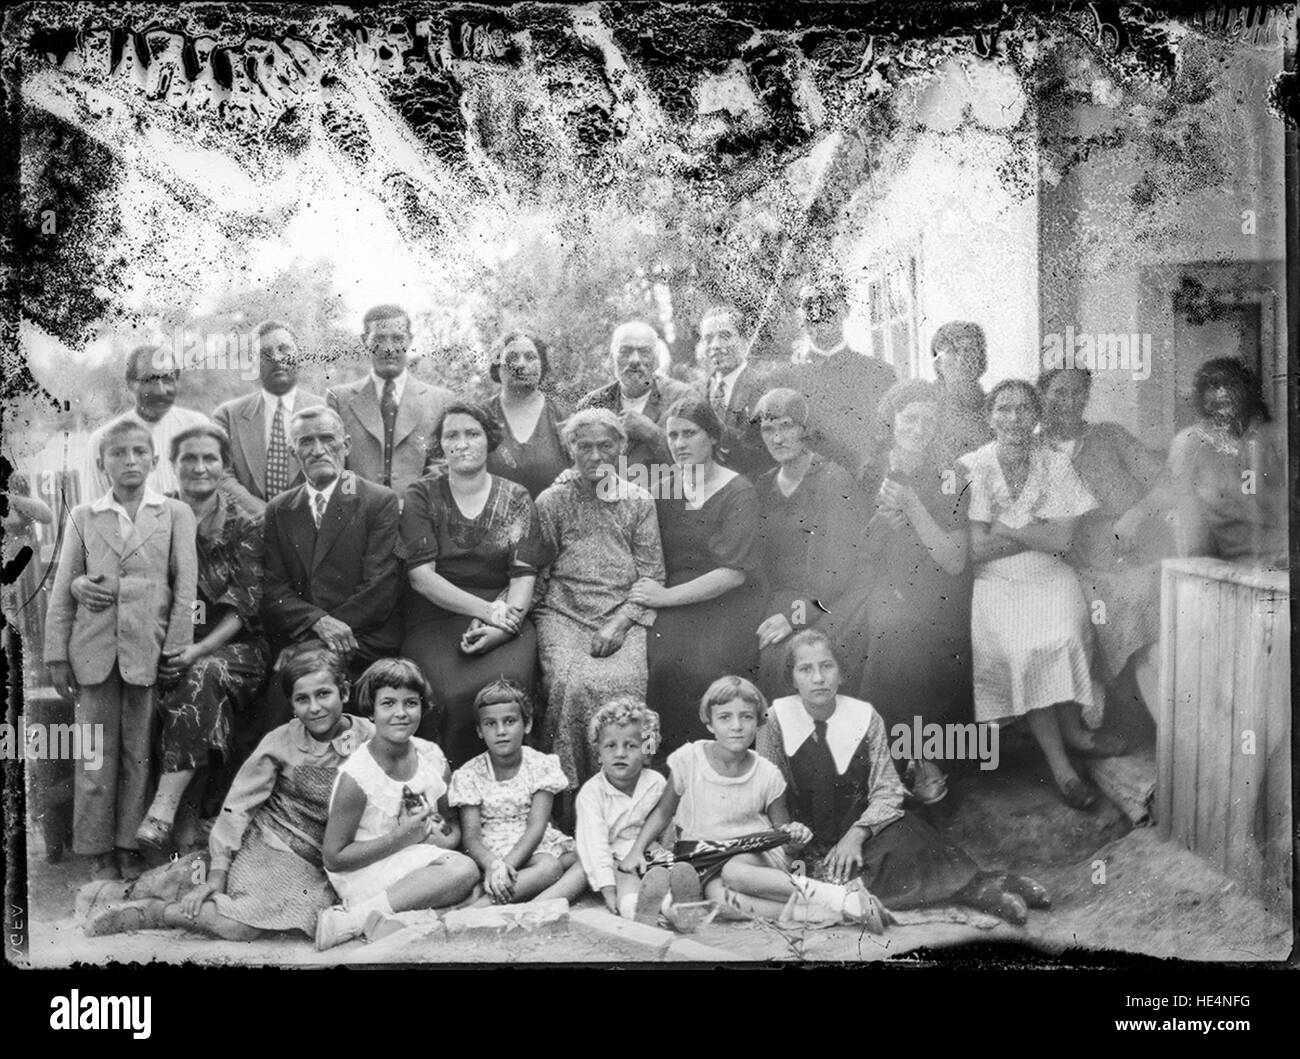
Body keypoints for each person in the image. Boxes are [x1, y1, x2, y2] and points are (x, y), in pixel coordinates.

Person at [82, 647, 375, 940]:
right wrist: (219, 869)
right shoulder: (282, 741)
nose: (314, 708)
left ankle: (138, 897)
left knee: (303, 915)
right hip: (271, 847)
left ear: (345, 692)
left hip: (324, 864)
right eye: (302, 699)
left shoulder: (371, 738)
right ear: (293, 705)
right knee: (238, 924)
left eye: (324, 694)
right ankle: (150, 912)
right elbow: (238, 805)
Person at [757, 630, 1048, 923]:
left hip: (862, 828)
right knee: (846, 878)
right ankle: (982, 889)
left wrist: (856, 835)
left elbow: (887, 791)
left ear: (842, 673)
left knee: (909, 839)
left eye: (827, 666)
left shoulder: (865, 717)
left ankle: (986, 884)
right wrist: (789, 840)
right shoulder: (774, 721)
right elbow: (771, 793)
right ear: (791, 679)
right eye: (805, 669)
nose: (818, 678)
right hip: (808, 841)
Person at [43, 417, 198, 881]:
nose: (130, 461)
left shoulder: (173, 514)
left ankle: (129, 845)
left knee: (138, 754)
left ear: (153, 460)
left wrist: (176, 647)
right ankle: (95, 851)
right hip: (91, 653)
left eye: (139, 452)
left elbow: (184, 587)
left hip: (147, 655)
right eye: (118, 453)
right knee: (94, 755)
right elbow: (61, 588)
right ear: (102, 462)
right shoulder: (84, 517)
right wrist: (56, 655)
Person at [102, 425, 268, 851]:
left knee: (201, 676)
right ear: (172, 467)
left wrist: (195, 649)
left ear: (224, 465)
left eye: (209, 458)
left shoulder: (245, 525)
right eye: (188, 459)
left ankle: (164, 811)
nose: (199, 467)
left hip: (231, 646)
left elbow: (241, 607)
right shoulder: (155, 515)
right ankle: (143, 831)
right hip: (163, 641)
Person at [621, 675, 881, 926]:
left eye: (746, 717)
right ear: (709, 723)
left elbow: (782, 834)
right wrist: (635, 851)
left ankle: (838, 898)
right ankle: (817, 913)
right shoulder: (688, 760)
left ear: (757, 723)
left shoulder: (767, 773)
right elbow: (663, 813)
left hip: (755, 854)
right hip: (707, 856)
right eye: (725, 717)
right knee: (717, 897)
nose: (736, 726)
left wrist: (794, 836)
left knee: (735, 872)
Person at [962, 380, 1113, 811]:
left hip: (1050, 573)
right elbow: (977, 549)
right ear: (989, 416)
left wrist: (1007, 528)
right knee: (1026, 650)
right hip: (997, 581)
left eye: (1023, 410)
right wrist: (1036, 533)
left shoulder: (1055, 463)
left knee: (1064, 634)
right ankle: (1062, 767)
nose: (1013, 419)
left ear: (1036, 417)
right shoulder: (973, 466)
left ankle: (1077, 732)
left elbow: (1063, 540)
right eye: (1004, 410)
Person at [398, 401, 544, 765]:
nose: (462, 443)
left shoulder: (516, 497)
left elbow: (524, 575)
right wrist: (486, 612)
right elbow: (421, 579)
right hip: (436, 614)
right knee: (441, 693)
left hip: (508, 613)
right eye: (452, 435)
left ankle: (509, 791)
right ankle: (446, 796)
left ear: (489, 440)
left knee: (506, 685)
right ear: (440, 445)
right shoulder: (422, 495)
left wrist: (505, 628)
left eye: (472, 434)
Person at [533, 408, 666, 785]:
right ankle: (567, 799)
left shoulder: (639, 500)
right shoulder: (552, 501)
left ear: (622, 447)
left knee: (624, 683)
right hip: (562, 614)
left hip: (623, 613)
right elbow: (538, 575)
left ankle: (628, 794)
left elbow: (652, 574)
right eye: (584, 446)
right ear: (570, 448)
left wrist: (621, 623)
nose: (595, 456)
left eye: (605, 446)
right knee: (567, 683)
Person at [856, 380, 974, 797]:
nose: (919, 427)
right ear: (892, 420)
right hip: (887, 580)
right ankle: (890, 759)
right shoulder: (872, 468)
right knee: (890, 627)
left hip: (940, 588)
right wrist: (878, 525)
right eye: (910, 418)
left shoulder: (951, 475)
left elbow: (954, 560)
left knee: (900, 634)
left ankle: (918, 759)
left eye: (929, 419)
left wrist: (911, 506)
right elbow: (861, 548)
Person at [633, 396, 765, 758]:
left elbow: (733, 574)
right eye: (672, 435)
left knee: (708, 667)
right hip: (676, 598)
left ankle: (723, 765)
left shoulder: (739, 491)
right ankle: (671, 769)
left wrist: (663, 598)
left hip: (727, 602)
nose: (679, 444)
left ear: (712, 437)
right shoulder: (663, 488)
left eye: (689, 434)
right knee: (662, 666)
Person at [317, 658, 481, 949]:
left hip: (414, 857)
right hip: (363, 869)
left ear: (422, 706)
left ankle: (396, 922)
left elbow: (450, 824)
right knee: (463, 873)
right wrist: (401, 838)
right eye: (388, 703)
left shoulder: (431, 756)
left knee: (471, 885)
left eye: (411, 703)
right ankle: (352, 920)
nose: (401, 714)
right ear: (372, 710)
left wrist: (441, 839)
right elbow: (333, 858)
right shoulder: (357, 776)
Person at [260, 407, 403, 731]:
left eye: (327, 439)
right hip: (308, 634)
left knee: (300, 675)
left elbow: (380, 587)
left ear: (347, 444)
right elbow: (274, 588)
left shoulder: (378, 501)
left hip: (365, 635)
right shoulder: (280, 510)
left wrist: (318, 637)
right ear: (293, 452)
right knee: (285, 692)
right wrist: (318, 623)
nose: (318, 449)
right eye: (306, 442)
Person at [1039, 367, 1169, 714]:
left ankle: (1138, 714)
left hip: (1131, 549)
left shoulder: (1109, 436)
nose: (1069, 401)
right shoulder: (1034, 448)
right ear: (1042, 395)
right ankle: (1127, 711)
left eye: (1078, 392)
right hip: (1073, 562)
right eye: (1058, 393)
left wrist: (1136, 515)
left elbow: (1166, 481)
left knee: (1144, 608)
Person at [751, 388, 874, 698]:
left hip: (830, 602)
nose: (777, 439)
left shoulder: (833, 480)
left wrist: (795, 617)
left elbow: (839, 571)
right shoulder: (764, 485)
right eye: (768, 429)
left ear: (806, 430)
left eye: (787, 426)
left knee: (787, 659)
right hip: (781, 598)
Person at [449, 679, 581, 906]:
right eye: (490, 724)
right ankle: (476, 909)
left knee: (587, 858)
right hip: (494, 850)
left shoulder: (540, 765)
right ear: (480, 730)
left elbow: (537, 826)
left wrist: (508, 865)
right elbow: (471, 838)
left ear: (527, 724)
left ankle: (538, 905)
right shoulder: (469, 774)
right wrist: (496, 866)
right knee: (549, 868)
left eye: (509, 721)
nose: (501, 731)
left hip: (533, 842)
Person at [1167, 357, 1286, 567]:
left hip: (1285, 562)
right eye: (1213, 386)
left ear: (1247, 392)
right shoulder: (1191, 444)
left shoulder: (1276, 437)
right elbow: (1192, 530)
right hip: (1228, 568)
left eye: (1230, 384)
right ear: (1202, 398)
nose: (1221, 392)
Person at [326, 304, 455, 497]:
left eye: (398, 338)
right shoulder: (339, 399)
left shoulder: (441, 400)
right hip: (358, 516)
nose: (388, 348)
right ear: (364, 341)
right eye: (379, 338)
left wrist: (414, 505)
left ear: (410, 340)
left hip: (418, 516)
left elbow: (444, 464)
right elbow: (334, 463)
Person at [783, 276, 897, 484]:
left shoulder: (880, 374)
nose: (819, 317)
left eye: (827, 307)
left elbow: (891, 444)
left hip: (864, 491)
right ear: (801, 319)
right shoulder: (786, 380)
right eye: (810, 309)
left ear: (845, 310)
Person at [212, 320, 326, 517]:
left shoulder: (328, 410)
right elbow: (221, 475)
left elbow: (343, 474)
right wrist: (266, 515)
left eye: (284, 349)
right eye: (265, 353)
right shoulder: (228, 416)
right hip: (251, 529)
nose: (276, 358)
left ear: (299, 356)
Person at [572, 697, 671, 919]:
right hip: (614, 857)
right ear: (598, 753)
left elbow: (665, 824)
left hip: (649, 853)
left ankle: (674, 910)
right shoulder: (592, 794)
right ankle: (634, 912)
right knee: (626, 878)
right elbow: (595, 844)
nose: (620, 754)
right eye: (610, 746)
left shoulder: (655, 783)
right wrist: (607, 888)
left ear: (646, 751)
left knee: (664, 876)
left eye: (631, 745)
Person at [83, 346, 211, 498]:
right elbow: (95, 510)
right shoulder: (103, 439)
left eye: (168, 379)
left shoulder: (198, 426)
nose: (161, 390)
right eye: (150, 381)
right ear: (131, 384)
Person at [575, 320, 692, 482]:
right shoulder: (592, 404)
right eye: (625, 351)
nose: (634, 360)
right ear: (611, 357)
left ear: (656, 359)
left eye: (644, 352)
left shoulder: (682, 398)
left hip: (664, 500)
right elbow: (576, 464)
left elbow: (696, 463)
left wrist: (652, 434)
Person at [484, 330, 571, 499]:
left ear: (542, 366)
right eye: (512, 358)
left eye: (530, 357)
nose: (521, 365)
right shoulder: (481, 417)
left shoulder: (563, 415)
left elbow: (583, 467)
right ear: (497, 367)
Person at [698, 304, 776, 482]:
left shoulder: (763, 388)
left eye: (725, 336)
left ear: (744, 340)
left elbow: (761, 454)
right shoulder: (699, 390)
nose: (715, 345)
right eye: (708, 339)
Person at [930, 321, 993, 469]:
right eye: (952, 351)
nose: (962, 358)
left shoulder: (996, 406)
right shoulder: (925, 406)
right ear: (938, 363)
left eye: (970, 350)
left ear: (982, 360)